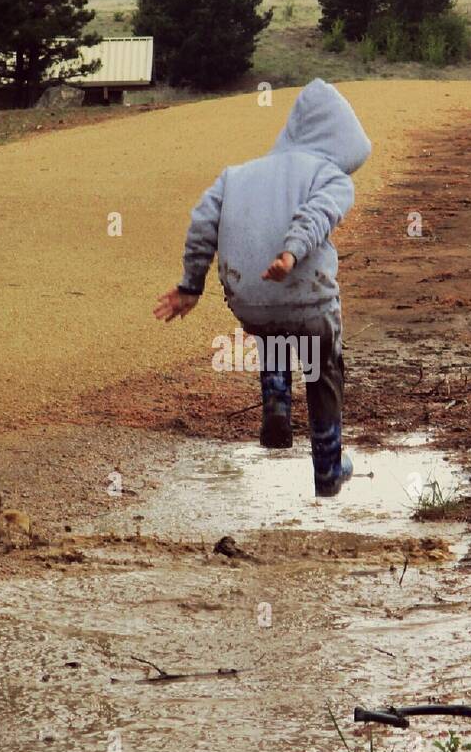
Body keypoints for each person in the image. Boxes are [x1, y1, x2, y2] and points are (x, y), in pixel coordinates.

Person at [154, 78, 371, 498]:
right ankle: (327, 467)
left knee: (273, 324)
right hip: (307, 295)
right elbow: (318, 214)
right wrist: (291, 253)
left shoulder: (236, 175)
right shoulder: (333, 177)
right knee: (323, 365)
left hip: (248, 299)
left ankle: (276, 398)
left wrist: (190, 285)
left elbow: (202, 222)